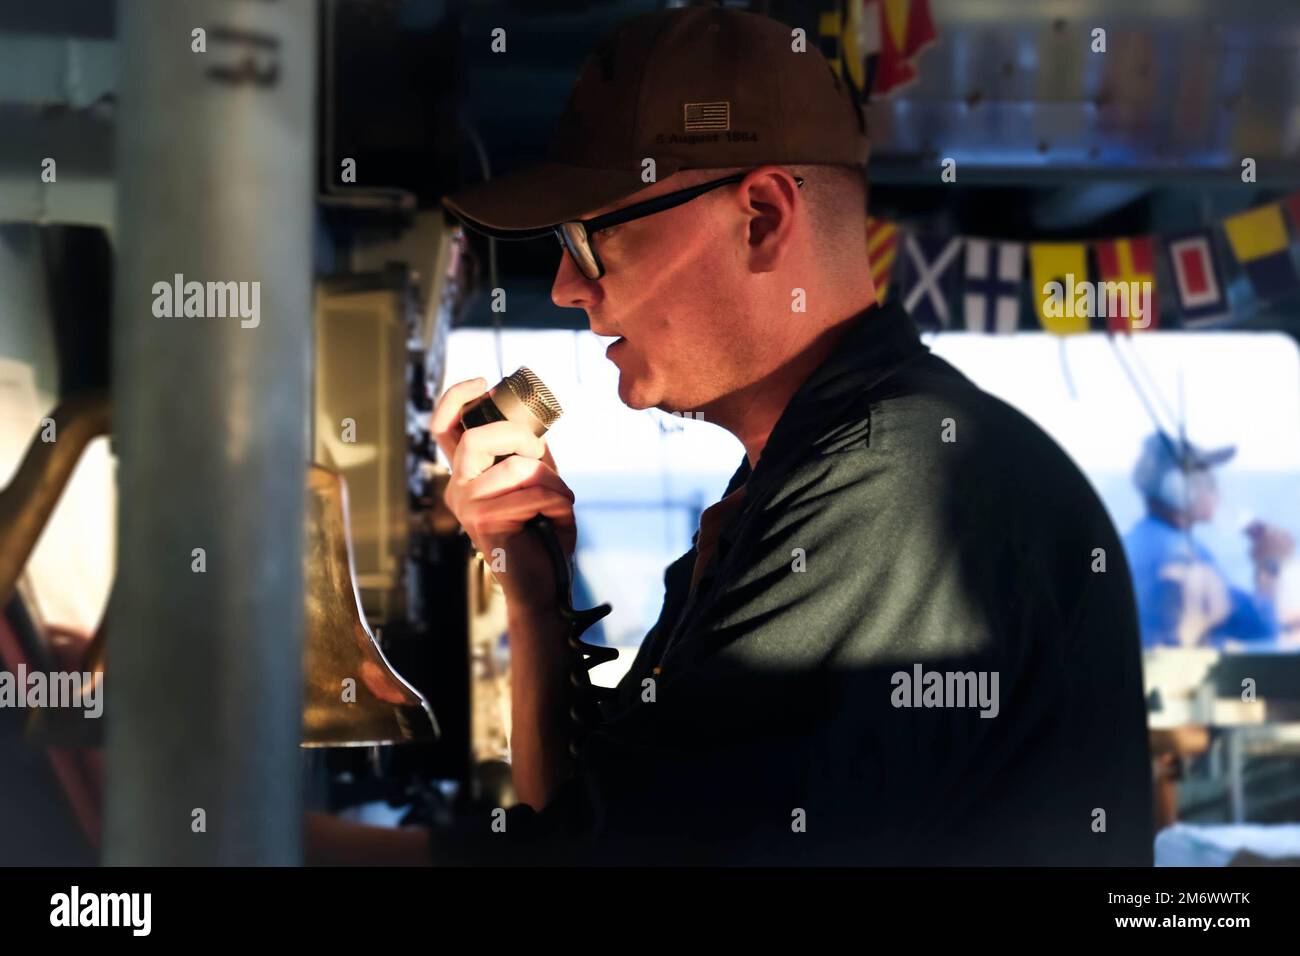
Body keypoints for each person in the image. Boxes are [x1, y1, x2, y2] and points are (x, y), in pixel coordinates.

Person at [309, 5, 1153, 866]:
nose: (566, 287)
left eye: (588, 235)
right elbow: (592, 818)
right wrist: (530, 592)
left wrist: (267, 844)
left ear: (760, 217)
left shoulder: (898, 487)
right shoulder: (784, 487)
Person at [1123, 431, 1295, 649]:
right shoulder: (1185, 555)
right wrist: (1268, 566)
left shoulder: (1130, 543)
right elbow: (1262, 630)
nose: (1217, 492)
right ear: (1177, 488)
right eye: (1208, 482)